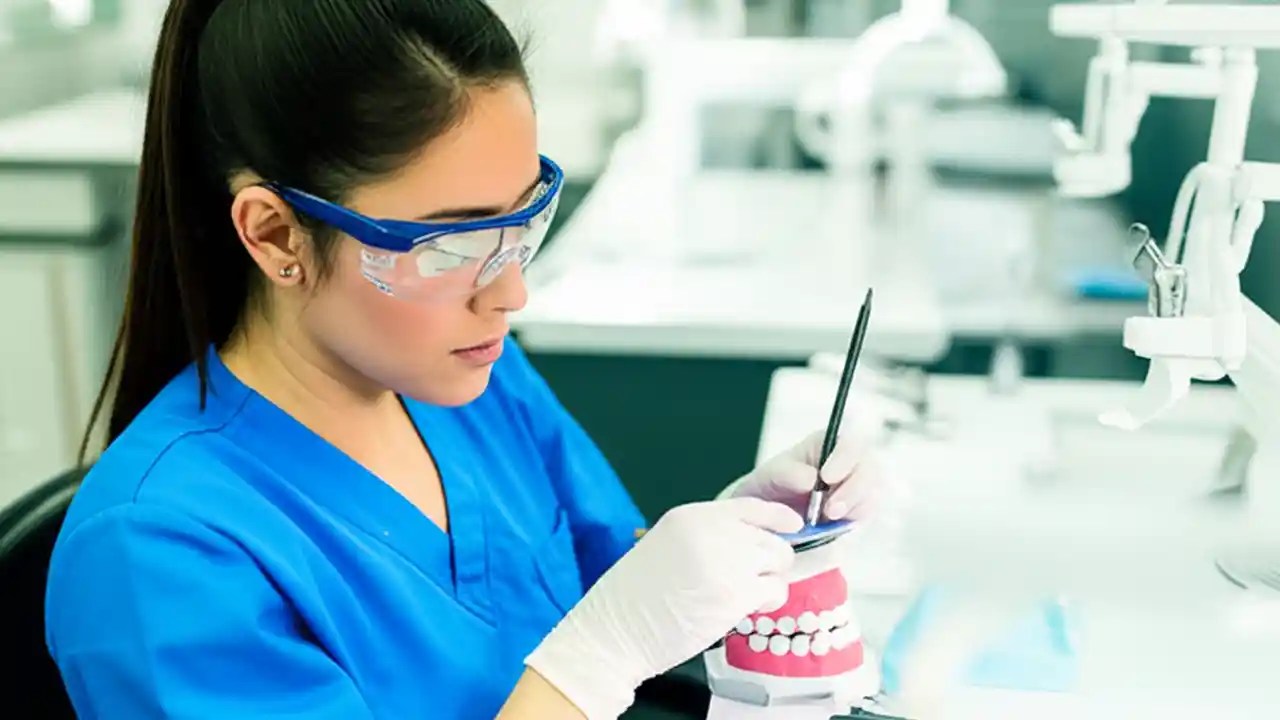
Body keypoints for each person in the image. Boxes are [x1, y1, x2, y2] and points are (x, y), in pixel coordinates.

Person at [44, 2, 883, 719]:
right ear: (274, 234)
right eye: (452, 247)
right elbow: (602, 645)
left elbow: (605, 583)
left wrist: (743, 548)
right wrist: (596, 661)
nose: (511, 292)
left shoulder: (474, 376)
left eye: (523, 221)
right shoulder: (158, 552)